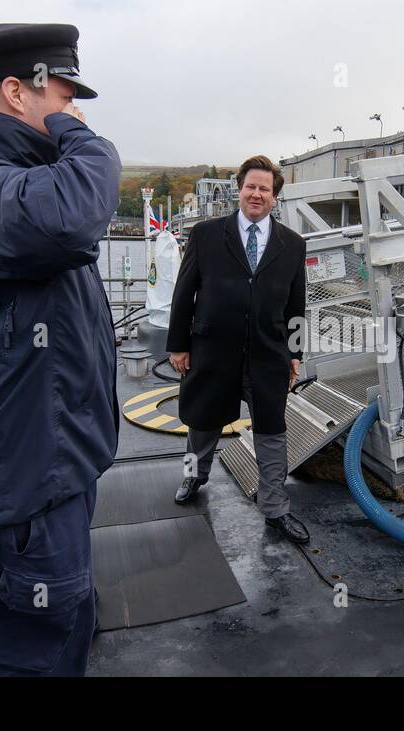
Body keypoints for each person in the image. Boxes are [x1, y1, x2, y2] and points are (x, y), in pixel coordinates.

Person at [0, 23, 122, 675]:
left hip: (49, 466)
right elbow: (70, 214)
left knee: (62, 632)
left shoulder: (7, 178)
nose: (73, 112)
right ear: (15, 91)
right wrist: (81, 139)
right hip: (21, 485)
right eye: (62, 98)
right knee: (29, 652)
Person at [168, 156, 310, 545]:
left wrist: (295, 353)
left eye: (265, 189)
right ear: (239, 190)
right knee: (202, 423)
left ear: (275, 198)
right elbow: (184, 292)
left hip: (267, 355)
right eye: (251, 187)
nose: (256, 194)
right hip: (213, 349)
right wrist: (178, 344)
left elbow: (297, 306)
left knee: (271, 430)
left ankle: (276, 508)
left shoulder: (292, 245)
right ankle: (194, 476)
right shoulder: (206, 234)